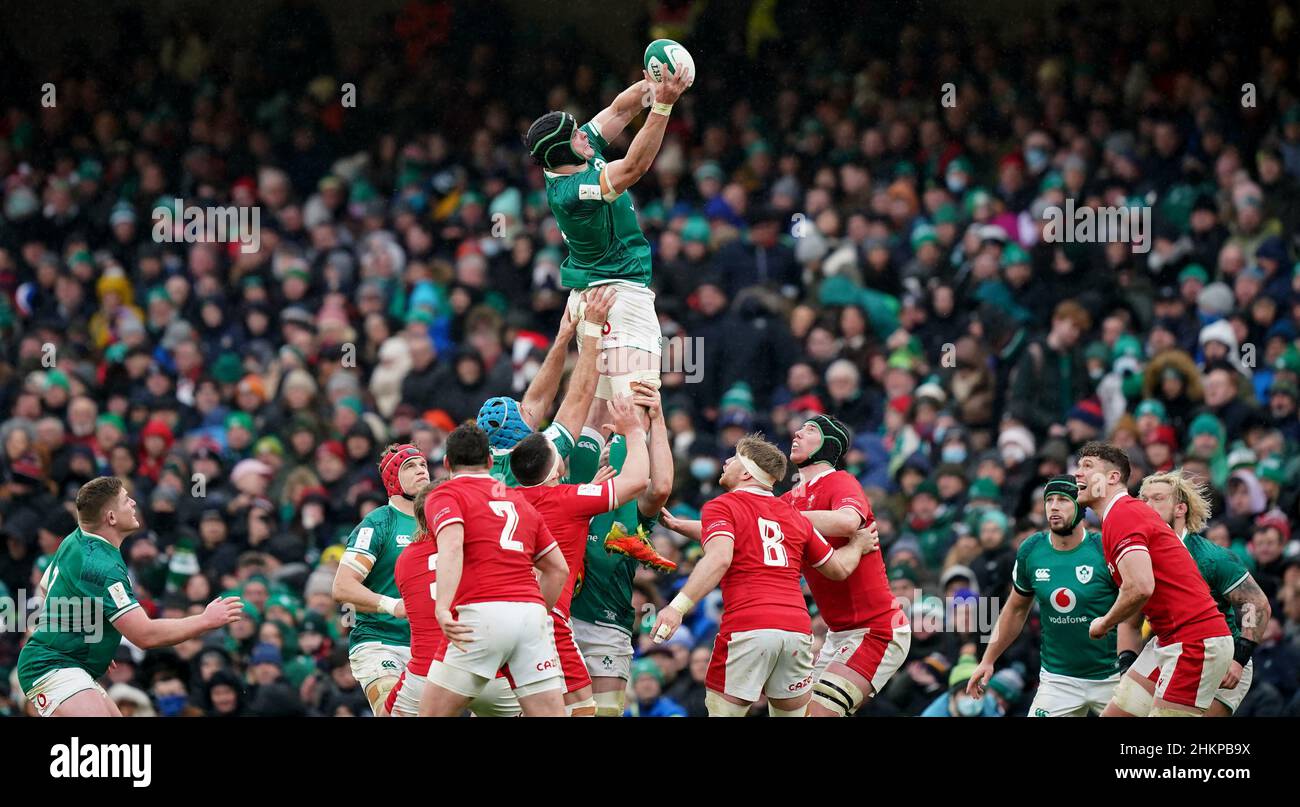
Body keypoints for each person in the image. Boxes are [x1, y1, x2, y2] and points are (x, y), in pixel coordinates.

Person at [652, 435, 875, 717]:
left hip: (749, 626)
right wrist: (858, 545)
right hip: (795, 630)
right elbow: (839, 569)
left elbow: (720, 556)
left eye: (733, 458)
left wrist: (676, 608)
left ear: (746, 472)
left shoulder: (722, 505)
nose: (726, 462)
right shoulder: (793, 515)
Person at [524, 62, 691, 408]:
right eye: (575, 135)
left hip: (597, 298)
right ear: (561, 152)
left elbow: (620, 109)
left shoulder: (571, 154)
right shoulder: (573, 191)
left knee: (600, 417)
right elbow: (634, 167)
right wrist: (663, 105)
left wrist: (651, 85)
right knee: (636, 410)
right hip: (620, 298)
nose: (584, 134)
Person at [16, 476, 243, 716]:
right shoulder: (103, 567)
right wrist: (205, 620)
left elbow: (47, 586)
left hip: (68, 663)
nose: (134, 503)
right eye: (126, 500)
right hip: (51, 665)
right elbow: (145, 636)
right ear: (111, 518)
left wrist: (92, 639)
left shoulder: (77, 537)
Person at [416, 424, 569, 717]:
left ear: (447, 463)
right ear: (488, 461)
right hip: (531, 615)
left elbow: (452, 546)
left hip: (480, 615)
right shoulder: (517, 500)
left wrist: (443, 608)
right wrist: (535, 615)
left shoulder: (445, 494)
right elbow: (558, 570)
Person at [513, 394, 651, 715]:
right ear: (551, 466)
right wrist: (632, 431)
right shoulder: (568, 498)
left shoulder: (510, 497)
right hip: (549, 618)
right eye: (555, 450)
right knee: (584, 708)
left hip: (501, 615)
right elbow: (636, 482)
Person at [1074, 442, 1233, 716]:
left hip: (1194, 642)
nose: (1077, 474)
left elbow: (1140, 587)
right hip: (1167, 640)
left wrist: (1104, 622)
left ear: (1113, 478)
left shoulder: (1122, 513)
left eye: (1087, 466)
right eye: (1078, 466)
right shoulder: (1119, 515)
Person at [968, 477, 1140, 716]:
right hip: (1058, 680)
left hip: (1112, 677)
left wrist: (1130, 664)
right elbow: (1015, 610)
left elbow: (1136, 602)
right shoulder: (1031, 550)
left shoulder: (1105, 547)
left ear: (1081, 506)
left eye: (1062, 500)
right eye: (1049, 500)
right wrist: (988, 660)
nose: (1054, 506)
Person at [782, 415, 908, 717]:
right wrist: (677, 524)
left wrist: (782, 519)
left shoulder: (840, 480)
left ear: (828, 444)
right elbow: (742, 527)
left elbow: (848, 522)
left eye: (809, 429)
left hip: (877, 630)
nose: (797, 432)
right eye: (799, 428)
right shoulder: (789, 499)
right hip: (838, 635)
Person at [567, 382, 676, 716]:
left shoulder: (638, 513)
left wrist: (656, 421)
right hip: (560, 622)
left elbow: (661, 487)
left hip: (608, 626)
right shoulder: (572, 494)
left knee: (605, 713)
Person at [1126, 471, 1272, 716]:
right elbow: (1131, 622)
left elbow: (1256, 604)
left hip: (1220, 657)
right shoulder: (1138, 555)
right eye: (1144, 500)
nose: (1147, 506)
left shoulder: (1210, 557)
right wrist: (1126, 666)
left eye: (1158, 498)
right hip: (1165, 647)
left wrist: (1239, 658)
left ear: (1180, 509)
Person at [387, 480, 521, 718]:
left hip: (426, 674)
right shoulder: (486, 546)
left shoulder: (405, 559)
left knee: (385, 712)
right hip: (489, 674)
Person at [330, 443, 428, 715]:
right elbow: (342, 586)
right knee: (393, 710)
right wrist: (392, 605)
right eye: (410, 466)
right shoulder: (378, 523)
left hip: (431, 644)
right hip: (380, 643)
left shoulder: (443, 520)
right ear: (393, 479)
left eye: (423, 464)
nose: (421, 470)